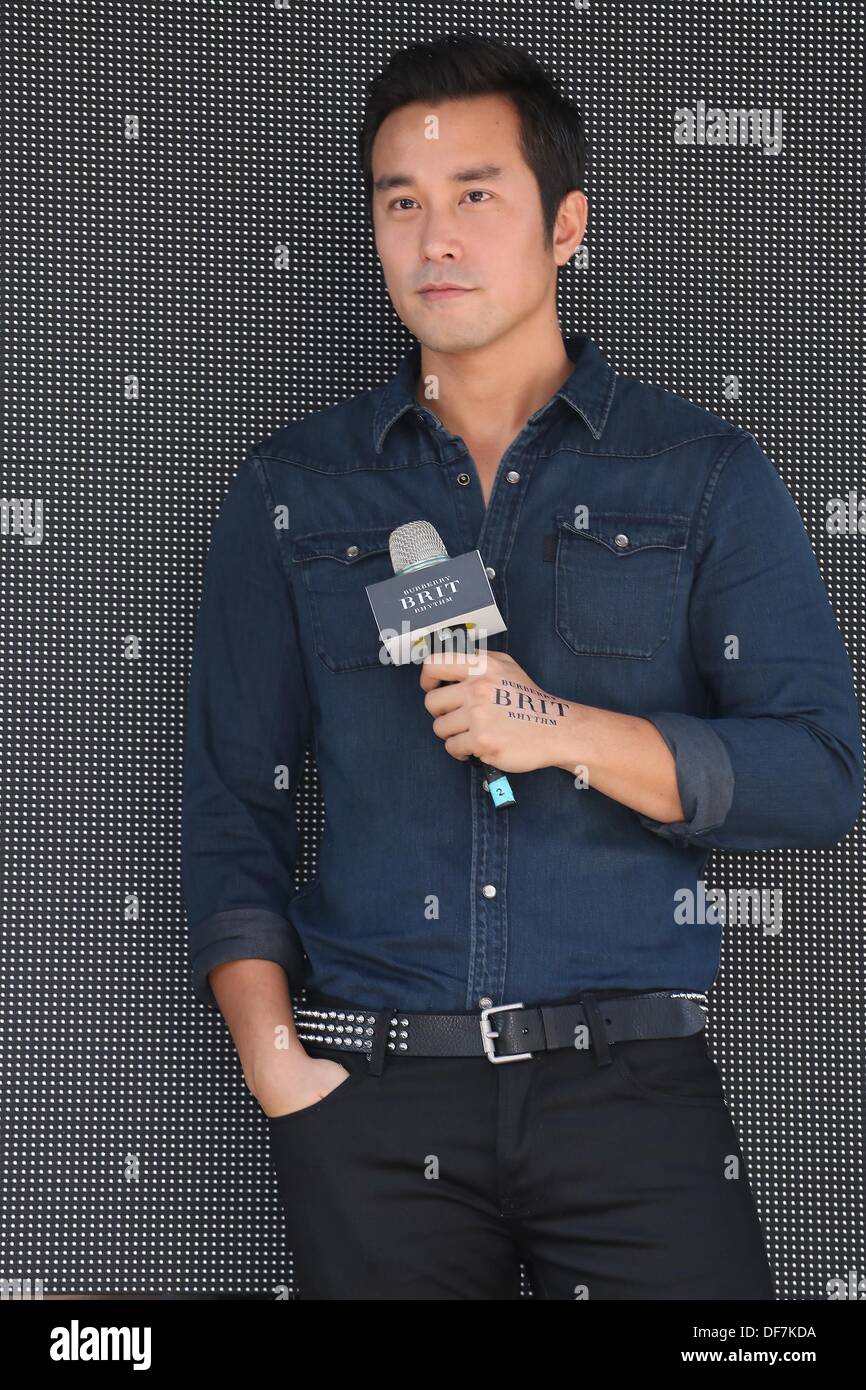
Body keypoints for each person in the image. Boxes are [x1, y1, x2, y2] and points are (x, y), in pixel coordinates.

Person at [180, 32, 862, 1300]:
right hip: (372, 1106)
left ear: (565, 226)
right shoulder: (293, 487)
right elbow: (233, 805)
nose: (434, 237)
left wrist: (558, 727)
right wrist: (280, 1070)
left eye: (475, 196)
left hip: (631, 1096)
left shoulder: (699, 473)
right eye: (401, 201)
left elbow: (819, 775)